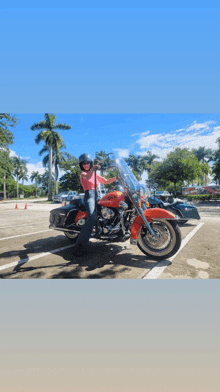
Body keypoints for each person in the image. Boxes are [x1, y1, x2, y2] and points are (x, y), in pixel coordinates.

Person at [73, 153, 117, 256]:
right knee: (92, 217)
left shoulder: (95, 173)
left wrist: (116, 177)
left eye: (87, 163)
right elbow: (87, 177)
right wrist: (93, 169)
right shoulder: (83, 174)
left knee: (105, 213)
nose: (86, 165)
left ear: (90, 163)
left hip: (97, 195)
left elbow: (105, 181)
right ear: (81, 165)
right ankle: (80, 245)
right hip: (89, 195)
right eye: (84, 164)